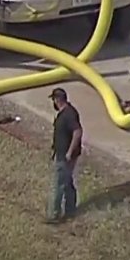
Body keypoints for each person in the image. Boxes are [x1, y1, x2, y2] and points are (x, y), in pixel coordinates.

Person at [48, 87, 83, 224]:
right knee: (67, 182)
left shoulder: (69, 114)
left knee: (58, 184)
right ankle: (70, 209)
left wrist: (69, 152)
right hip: (62, 153)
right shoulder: (65, 113)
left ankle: (54, 215)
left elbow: (77, 132)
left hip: (66, 156)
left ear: (57, 100)